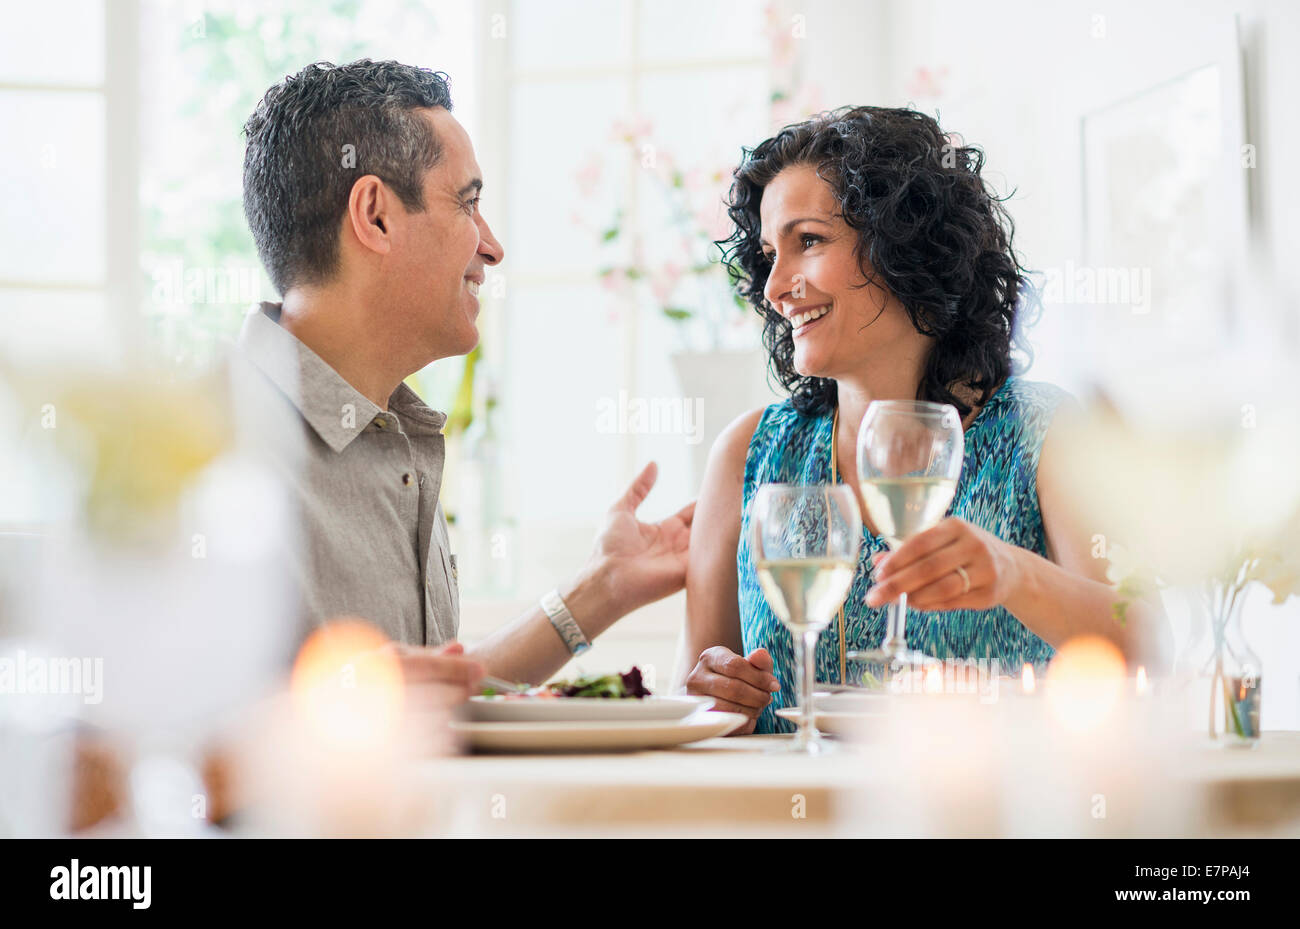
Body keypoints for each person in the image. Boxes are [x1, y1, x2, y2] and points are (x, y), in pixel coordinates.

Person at [679, 106, 1170, 734]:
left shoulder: (1041, 433)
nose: (776, 286)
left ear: (902, 245)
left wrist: (1016, 574)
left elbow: (1151, 651)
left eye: (808, 241)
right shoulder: (749, 453)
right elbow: (691, 690)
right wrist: (717, 692)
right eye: (770, 252)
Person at [236, 60, 694, 699]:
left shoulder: (390, 432)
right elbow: (141, 751)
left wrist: (601, 589)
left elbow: (423, 698)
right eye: (468, 203)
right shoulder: (207, 455)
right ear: (375, 216)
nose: (492, 246)